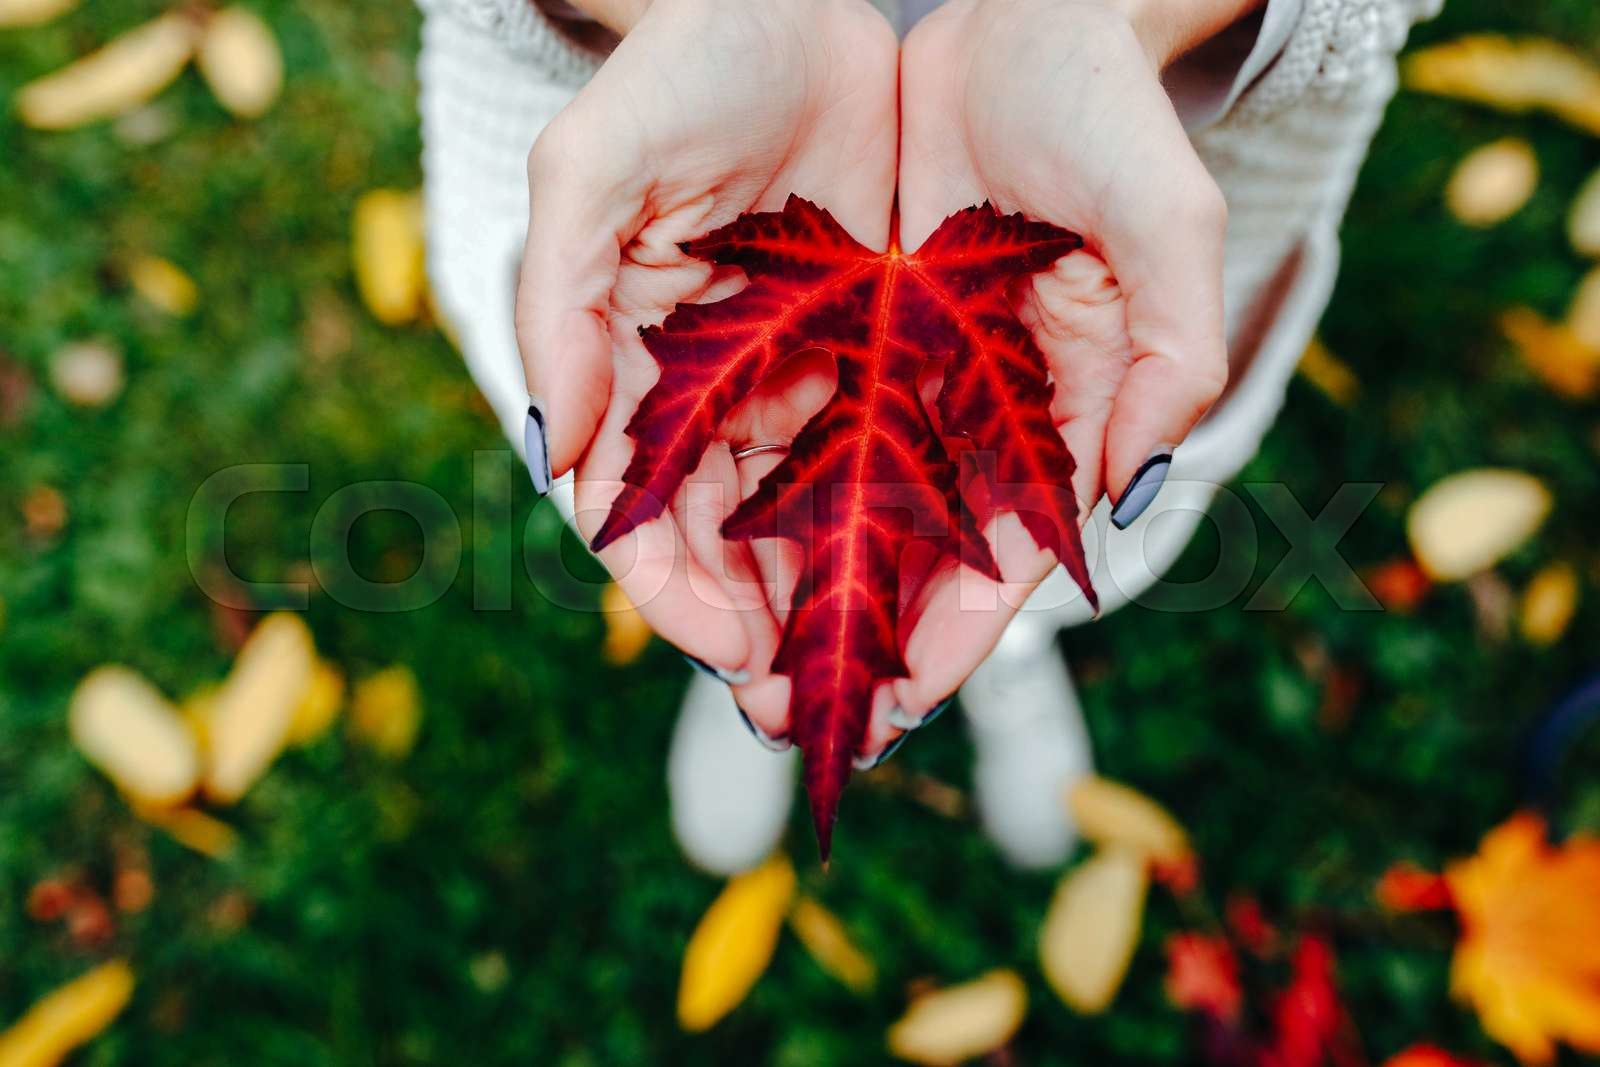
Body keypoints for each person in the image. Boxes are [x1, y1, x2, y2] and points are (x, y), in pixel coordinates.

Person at [418, 0, 1440, 872]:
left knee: (1081, 453)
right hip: (686, 108)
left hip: (1113, 104)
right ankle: (743, 651)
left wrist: (1115, 20)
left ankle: (1002, 644)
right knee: (684, 470)